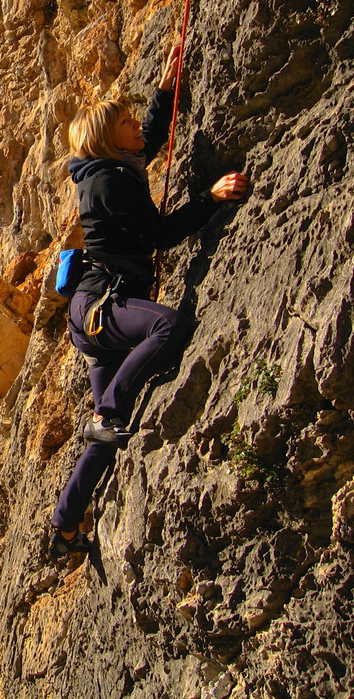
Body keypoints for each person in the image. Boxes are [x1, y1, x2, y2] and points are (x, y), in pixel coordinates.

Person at [48, 45, 249, 559]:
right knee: (170, 327)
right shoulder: (109, 185)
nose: (136, 125)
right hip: (103, 309)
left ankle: (65, 525)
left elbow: (152, 139)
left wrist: (165, 88)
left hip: (93, 315)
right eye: (125, 122)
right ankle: (110, 413)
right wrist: (211, 198)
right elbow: (159, 233)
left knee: (105, 435)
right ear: (104, 140)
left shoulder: (113, 170)